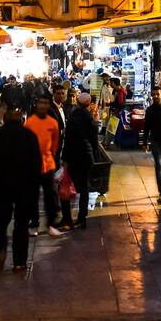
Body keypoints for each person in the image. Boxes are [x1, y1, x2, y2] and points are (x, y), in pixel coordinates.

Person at [0, 103, 42, 273]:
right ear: (21, 117)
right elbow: (36, 164)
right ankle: (19, 262)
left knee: (0, 222)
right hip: (24, 186)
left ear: (5, 116)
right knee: (22, 224)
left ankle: (0, 250)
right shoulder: (29, 136)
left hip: (2, 184)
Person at [26, 93, 66, 238]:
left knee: (50, 197)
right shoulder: (30, 122)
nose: (43, 105)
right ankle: (34, 223)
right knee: (33, 196)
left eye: (45, 103)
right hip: (32, 165)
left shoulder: (53, 123)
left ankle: (51, 225)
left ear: (48, 105)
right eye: (40, 102)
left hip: (48, 164)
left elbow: (55, 144)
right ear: (36, 104)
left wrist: (50, 157)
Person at [62, 92, 100, 230]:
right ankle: (81, 218)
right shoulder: (89, 118)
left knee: (65, 184)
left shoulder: (73, 116)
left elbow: (68, 139)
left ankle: (67, 218)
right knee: (84, 188)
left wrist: (65, 158)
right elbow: (94, 139)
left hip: (73, 156)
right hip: (86, 156)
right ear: (89, 104)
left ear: (78, 103)